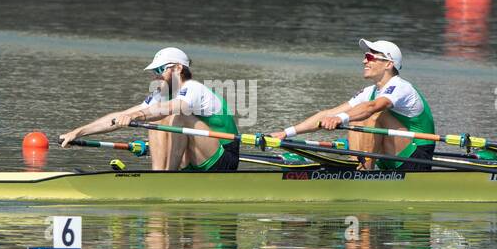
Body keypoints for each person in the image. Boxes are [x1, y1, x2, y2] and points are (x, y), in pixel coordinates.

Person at [59, 47, 240, 171]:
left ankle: (167, 178)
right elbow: (120, 116)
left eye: (160, 69)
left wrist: (138, 115)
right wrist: (78, 132)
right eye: (154, 71)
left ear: (178, 68)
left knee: (174, 115)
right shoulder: (162, 94)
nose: (156, 75)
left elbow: (171, 108)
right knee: (157, 116)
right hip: (193, 157)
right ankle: (159, 174)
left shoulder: (193, 88)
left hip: (224, 157)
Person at [269, 39, 435, 171]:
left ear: (388, 64)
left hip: (416, 159)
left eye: (370, 57)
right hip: (392, 155)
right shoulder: (369, 91)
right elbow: (328, 113)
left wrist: (340, 119)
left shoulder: (401, 86)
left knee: (373, 114)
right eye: (365, 57)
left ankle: (363, 170)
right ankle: (358, 167)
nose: (364, 61)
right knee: (356, 115)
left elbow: (373, 107)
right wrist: (285, 133)